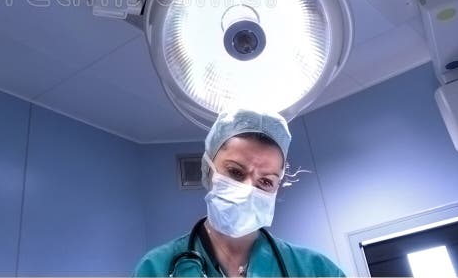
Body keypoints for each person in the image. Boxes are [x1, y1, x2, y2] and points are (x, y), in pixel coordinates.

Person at [133, 109, 345, 277]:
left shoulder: (315, 270)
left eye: (265, 181)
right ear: (207, 170)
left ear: (276, 188)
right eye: (235, 172)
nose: (247, 191)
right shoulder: (157, 269)